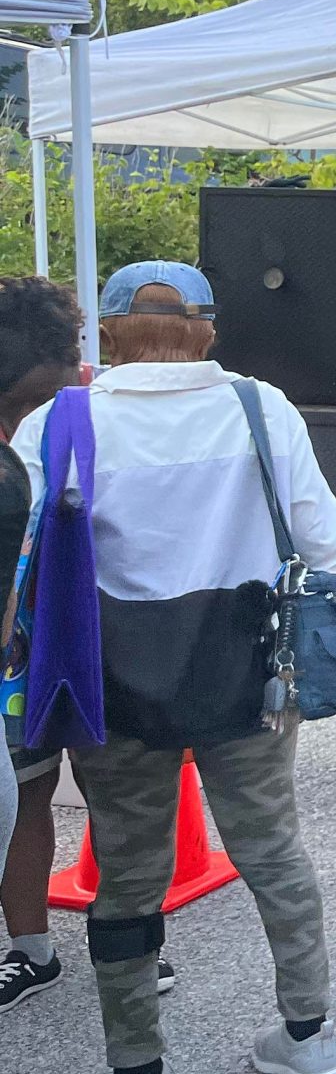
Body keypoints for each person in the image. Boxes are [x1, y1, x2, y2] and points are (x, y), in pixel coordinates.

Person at [17, 263, 336, 1074]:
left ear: (112, 333)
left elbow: (21, 543)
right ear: (205, 327)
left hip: (113, 681)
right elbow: (323, 536)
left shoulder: (64, 420)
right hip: (247, 670)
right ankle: (310, 1035)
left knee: (128, 874)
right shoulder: (259, 406)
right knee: (273, 847)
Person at [0, 279, 86, 1020]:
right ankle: (33, 946)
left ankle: (35, 949)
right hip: (26, 664)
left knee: (29, 792)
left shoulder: (31, 445)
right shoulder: (13, 466)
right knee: (29, 793)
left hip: (27, 665)